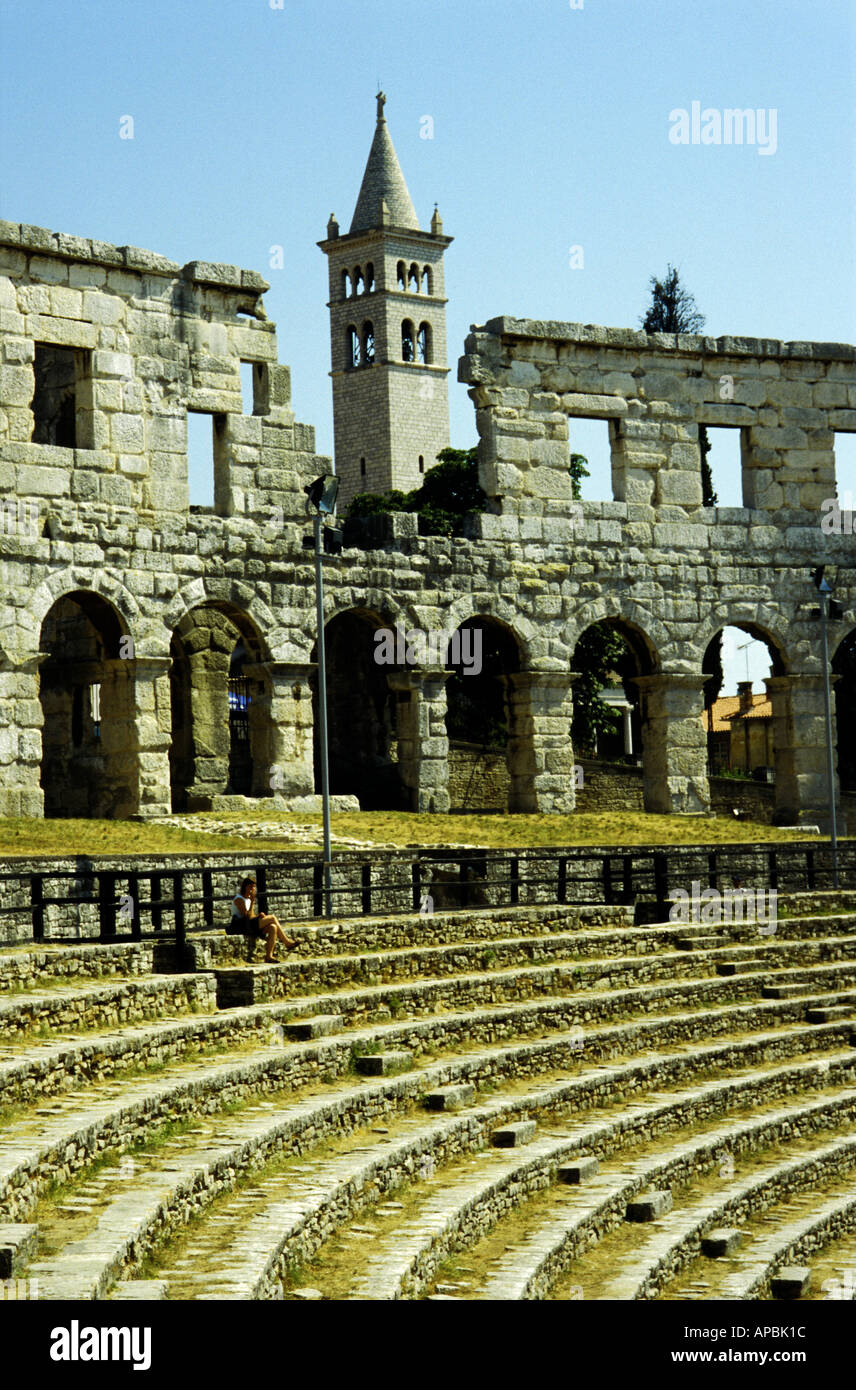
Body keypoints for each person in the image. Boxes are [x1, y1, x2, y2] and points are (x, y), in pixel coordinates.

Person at [228, 876, 297, 963]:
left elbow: (252, 915)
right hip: (240, 926)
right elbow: (247, 916)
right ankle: (286, 942)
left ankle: (269, 956)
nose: (252, 889)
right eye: (250, 887)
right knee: (272, 917)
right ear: (245, 887)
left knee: (273, 927)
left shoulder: (249, 899)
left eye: (253, 887)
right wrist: (253, 901)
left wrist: (258, 916)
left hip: (249, 924)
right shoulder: (239, 899)